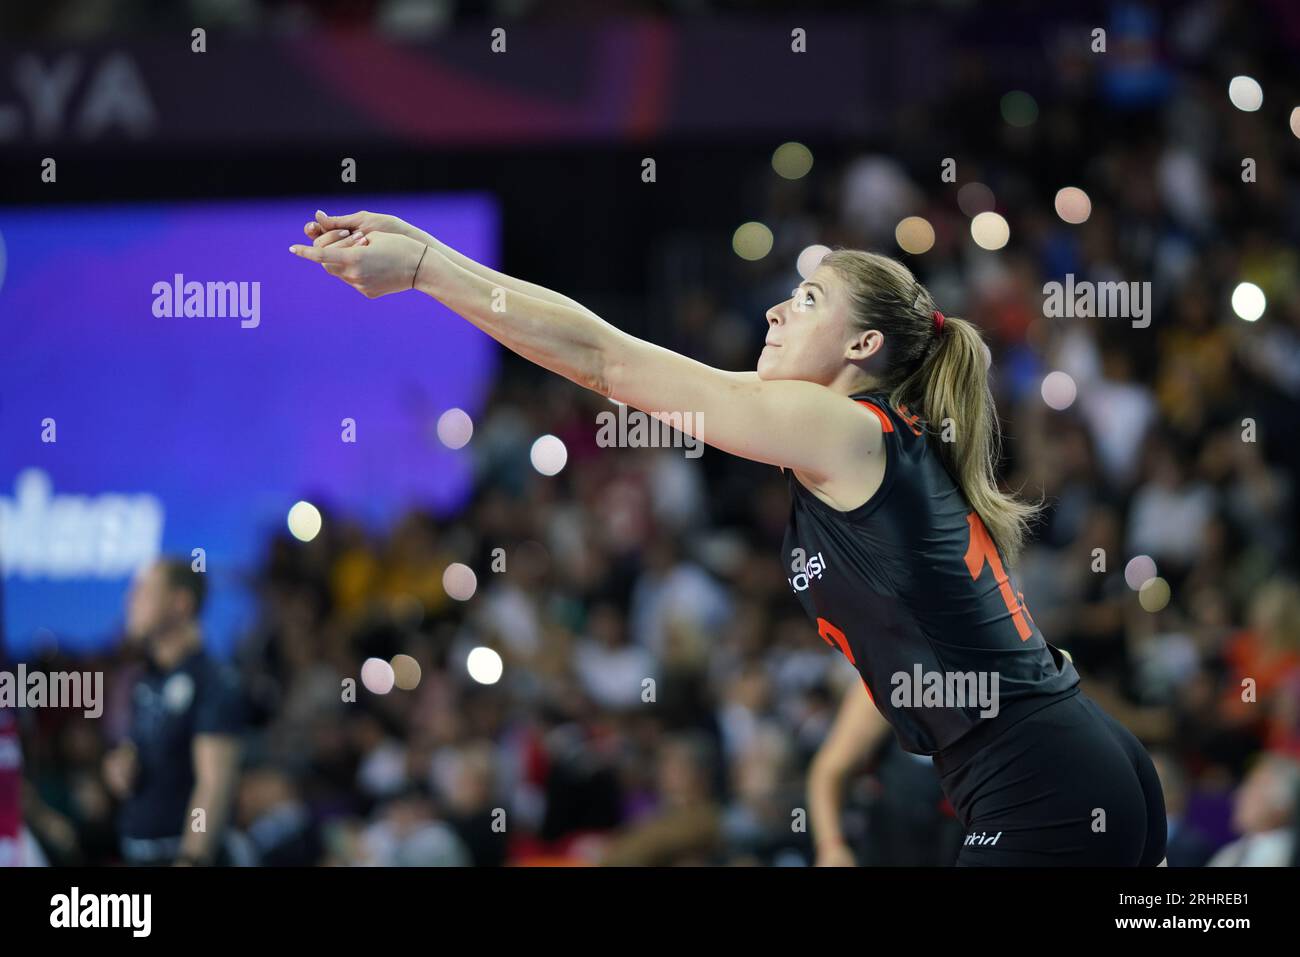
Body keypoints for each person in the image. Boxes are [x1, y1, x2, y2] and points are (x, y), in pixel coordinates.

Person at [289, 210, 1167, 866]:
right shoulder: (866, 453)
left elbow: (605, 362)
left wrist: (428, 267)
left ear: (862, 343)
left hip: (1038, 782)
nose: (781, 312)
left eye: (809, 299)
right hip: (1077, 764)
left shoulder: (841, 426)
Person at [102, 558, 243, 865]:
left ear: (180, 603)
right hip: (138, 854)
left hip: (178, 856)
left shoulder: (214, 681)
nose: (130, 601)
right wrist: (121, 765)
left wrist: (192, 857)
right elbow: (139, 748)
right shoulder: (147, 678)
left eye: (144, 592)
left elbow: (214, 784)